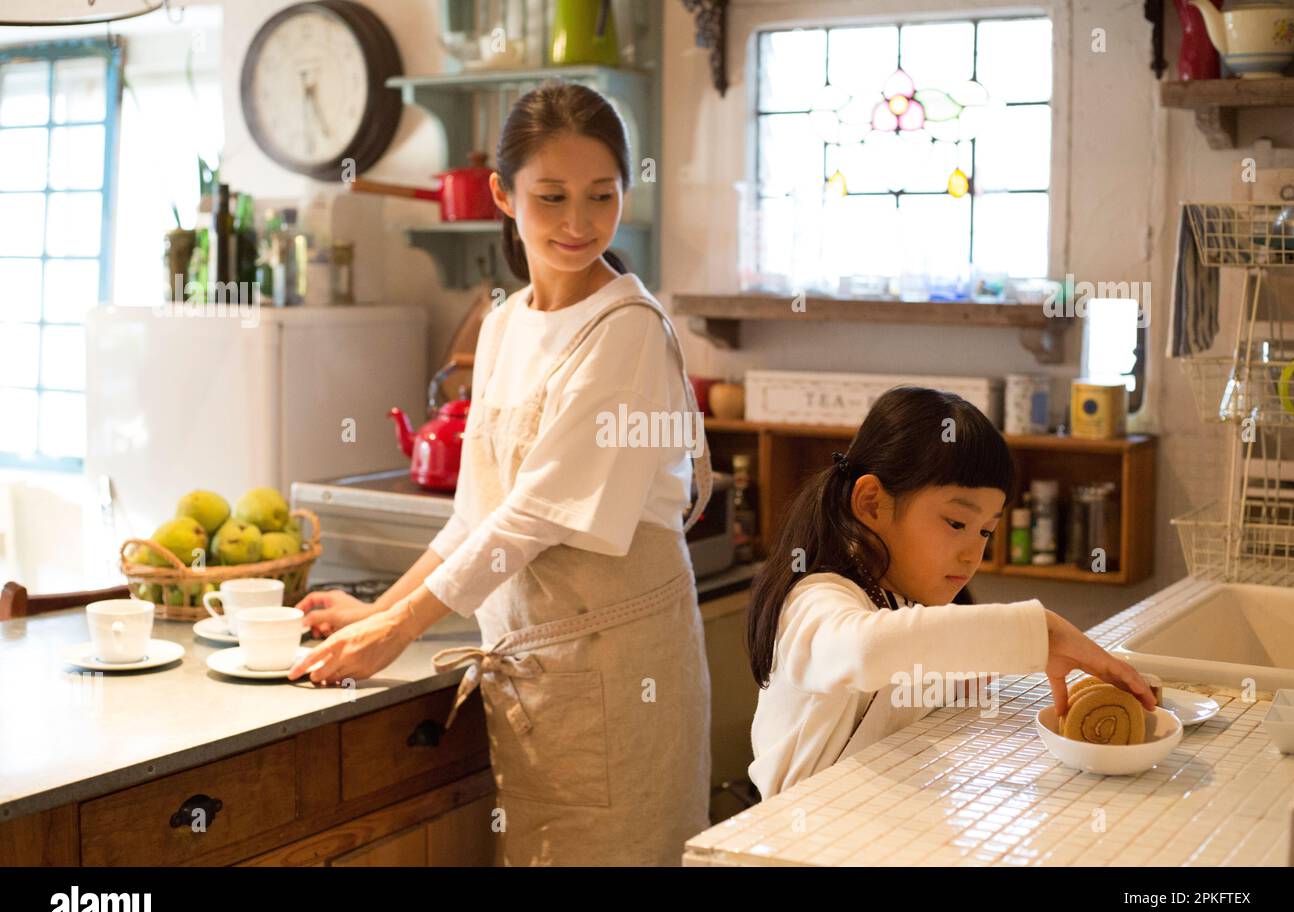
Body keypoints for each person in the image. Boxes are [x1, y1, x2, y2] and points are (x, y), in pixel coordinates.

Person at [287, 83, 714, 865]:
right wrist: (375, 609)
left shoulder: (626, 331)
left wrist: (396, 629)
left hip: (622, 686)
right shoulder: (504, 324)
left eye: (602, 196)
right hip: (538, 683)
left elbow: (534, 518)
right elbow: (475, 516)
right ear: (502, 195)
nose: (578, 223)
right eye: (551, 196)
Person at [746, 386, 1156, 800]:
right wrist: (1040, 631)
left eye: (986, 532)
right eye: (957, 524)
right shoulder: (814, 600)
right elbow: (867, 649)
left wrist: (1024, 661)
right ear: (872, 504)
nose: (972, 553)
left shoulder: (903, 596)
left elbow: (929, 666)